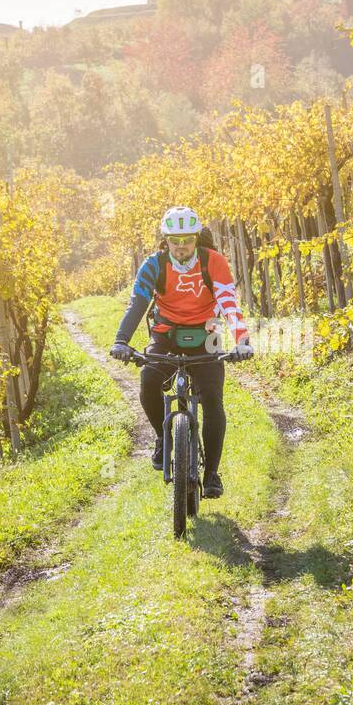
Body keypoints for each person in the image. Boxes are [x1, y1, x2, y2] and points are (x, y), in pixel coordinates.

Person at [110, 206, 253, 498]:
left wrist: (242, 340)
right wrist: (121, 340)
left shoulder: (213, 262)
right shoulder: (154, 264)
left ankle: (211, 474)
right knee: (149, 380)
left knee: (212, 398)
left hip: (207, 335)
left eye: (187, 239)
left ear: (197, 237)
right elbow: (137, 303)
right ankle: (163, 438)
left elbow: (228, 303)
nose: (181, 246)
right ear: (165, 240)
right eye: (175, 240)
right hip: (166, 335)